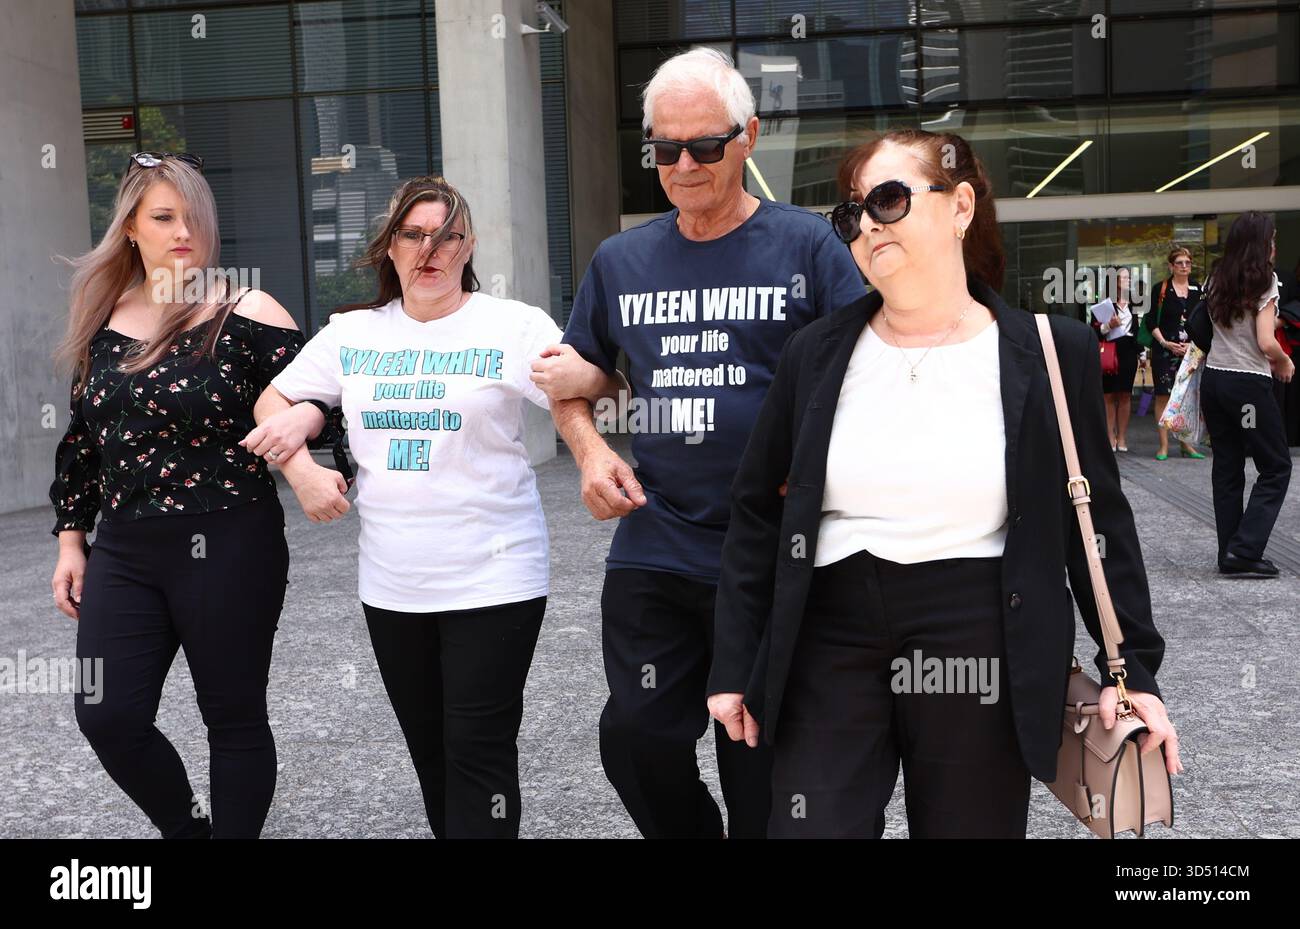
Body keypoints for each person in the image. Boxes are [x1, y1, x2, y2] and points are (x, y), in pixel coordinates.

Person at [708, 129, 1181, 838]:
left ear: (960, 206)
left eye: (889, 200)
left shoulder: (1049, 351)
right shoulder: (815, 353)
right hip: (829, 631)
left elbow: (1098, 521)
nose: (867, 224)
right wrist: (734, 661)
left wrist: (1135, 670)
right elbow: (755, 513)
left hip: (982, 628)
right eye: (851, 214)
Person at [532, 47, 866, 838]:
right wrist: (589, 450)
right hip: (659, 542)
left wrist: (820, 472)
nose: (682, 165)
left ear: (747, 137)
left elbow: (865, 372)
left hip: (771, 554)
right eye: (664, 148)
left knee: (760, 762)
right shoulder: (621, 260)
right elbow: (572, 383)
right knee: (636, 738)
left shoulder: (810, 247)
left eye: (703, 147)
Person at [247, 176, 560, 838]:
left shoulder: (512, 324)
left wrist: (595, 446)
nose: (430, 249)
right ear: (389, 246)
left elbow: (571, 393)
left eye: (447, 235)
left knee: (478, 750)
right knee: (433, 756)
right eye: (414, 234)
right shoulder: (353, 333)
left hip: (496, 574)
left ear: (468, 245)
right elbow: (272, 401)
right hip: (393, 584)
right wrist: (302, 469)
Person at [48, 153, 342, 838]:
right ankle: (187, 830)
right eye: (163, 217)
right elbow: (84, 439)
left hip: (230, 541)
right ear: (129, 229)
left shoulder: (246, 310)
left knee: (232, 718)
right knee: (106, 712)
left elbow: (324, 398)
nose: (183, 231)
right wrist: (71, 538)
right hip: (124, 547)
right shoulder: (102, 319)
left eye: (193, 219)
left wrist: (310, 439)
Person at [1200, 212, 1294, 578]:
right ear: (1259, 243)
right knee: (1276, 466)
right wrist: (1284, 362)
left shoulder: (1215, 278)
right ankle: (1244, 548)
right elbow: (1266, 341)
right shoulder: (1264, 282)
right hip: (1247, 386)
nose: (1274, 246)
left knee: (1227, 466)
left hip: (1215, 381)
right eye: (1271, 239)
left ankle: (1230, 552)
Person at [1149, 246, 1207, 460]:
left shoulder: (1198, 289)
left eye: (1187, 263)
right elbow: (1150, 320)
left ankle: (1186, 444)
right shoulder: (1161, 289)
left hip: (1191, 352)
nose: (1184, 266)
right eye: (1180, 263)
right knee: (1164, 395)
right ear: (1171, 266)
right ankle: (1163, 445)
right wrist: (1165, 343)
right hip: (1165, 350)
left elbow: (1203, 320)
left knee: (1186, 396)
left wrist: (1194, 344)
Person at [1090, 266, 1139, 451]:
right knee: (1109, 396)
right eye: (1123, 278)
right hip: (1109, 350)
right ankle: (1110, 436)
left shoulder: (1134, 303)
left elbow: (1137, 330)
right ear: (1114, 282)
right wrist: (1108, 325)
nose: (1127, 281)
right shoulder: (1104, 305)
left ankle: (1122, 437)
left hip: (1128, 351)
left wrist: (1141, 354)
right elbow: (1093, 331)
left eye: (1129, 278)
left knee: (1126, 395)